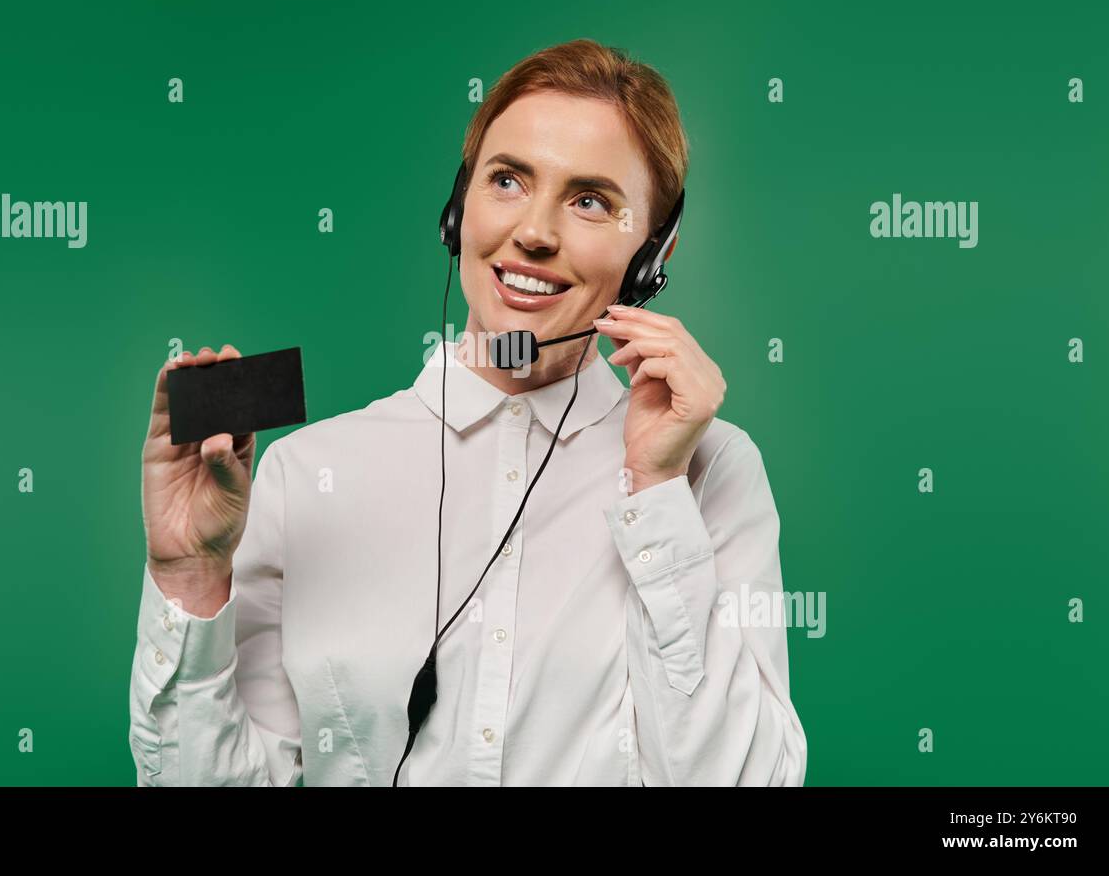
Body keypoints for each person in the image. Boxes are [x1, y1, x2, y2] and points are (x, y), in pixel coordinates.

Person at [129, 39, 807, 786]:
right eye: (508, 180)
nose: (535, 233)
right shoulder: (306, 475)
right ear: (458, 209)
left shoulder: (714, 473)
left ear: (652, 252)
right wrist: (190, 575)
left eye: (590, 201)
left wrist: (656, 488)